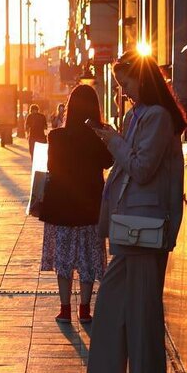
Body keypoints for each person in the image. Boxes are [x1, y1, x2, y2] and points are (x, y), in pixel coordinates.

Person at [85, 50, 187, 373]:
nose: (122, 90)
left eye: (124, 82)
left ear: (141, 79)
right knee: (113, 304)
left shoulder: (157, 117)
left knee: (143, 312)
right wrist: (113, 139)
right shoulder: (136, 116)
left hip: (146, 225)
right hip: (130, 224)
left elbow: (142, 168)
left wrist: (113, 141)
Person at [39, 84, 113, 323]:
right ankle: (84, 309)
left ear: (69, 108)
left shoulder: (56, 137)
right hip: (90, 206)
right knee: (88, 258)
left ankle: (64, 309)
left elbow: (51, 167)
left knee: (64, 258)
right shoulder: (97, 137)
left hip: (62, 206)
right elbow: (109, 162)